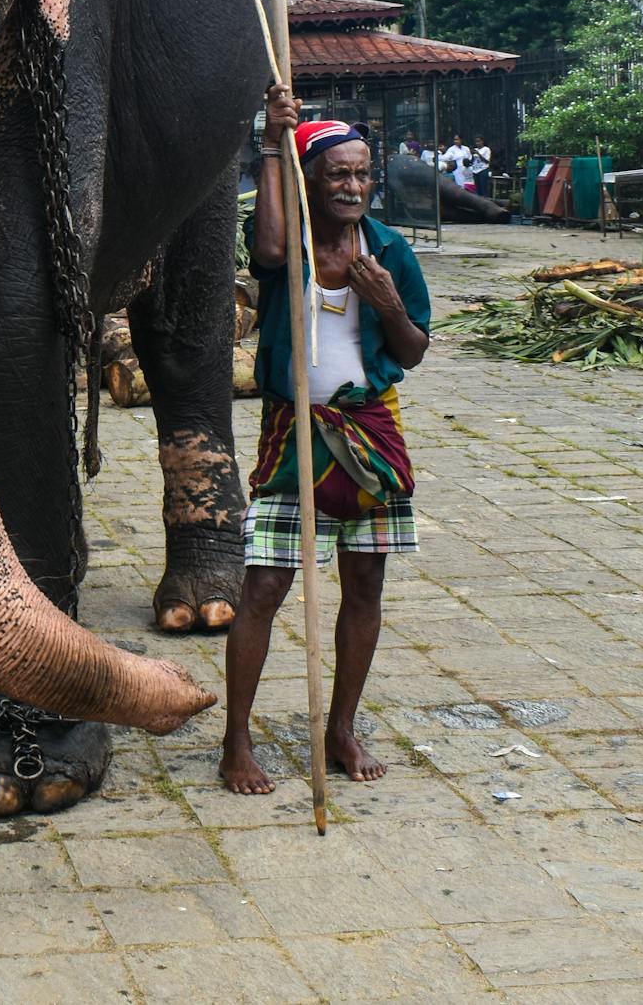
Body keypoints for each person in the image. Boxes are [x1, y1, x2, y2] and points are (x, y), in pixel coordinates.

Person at [220, 84, 430, 796]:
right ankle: (236, 739)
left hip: (370, 431)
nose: (352, 186)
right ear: (310, 180)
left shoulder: (389, 250)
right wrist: (271, 144)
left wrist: (388, 304)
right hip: (295, 437)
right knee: (265, 586)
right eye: (338, 174)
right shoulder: (293, 245)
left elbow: (413, 350)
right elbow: (270, 249)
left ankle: (342, 729)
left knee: (365, 583)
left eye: (362, 174)